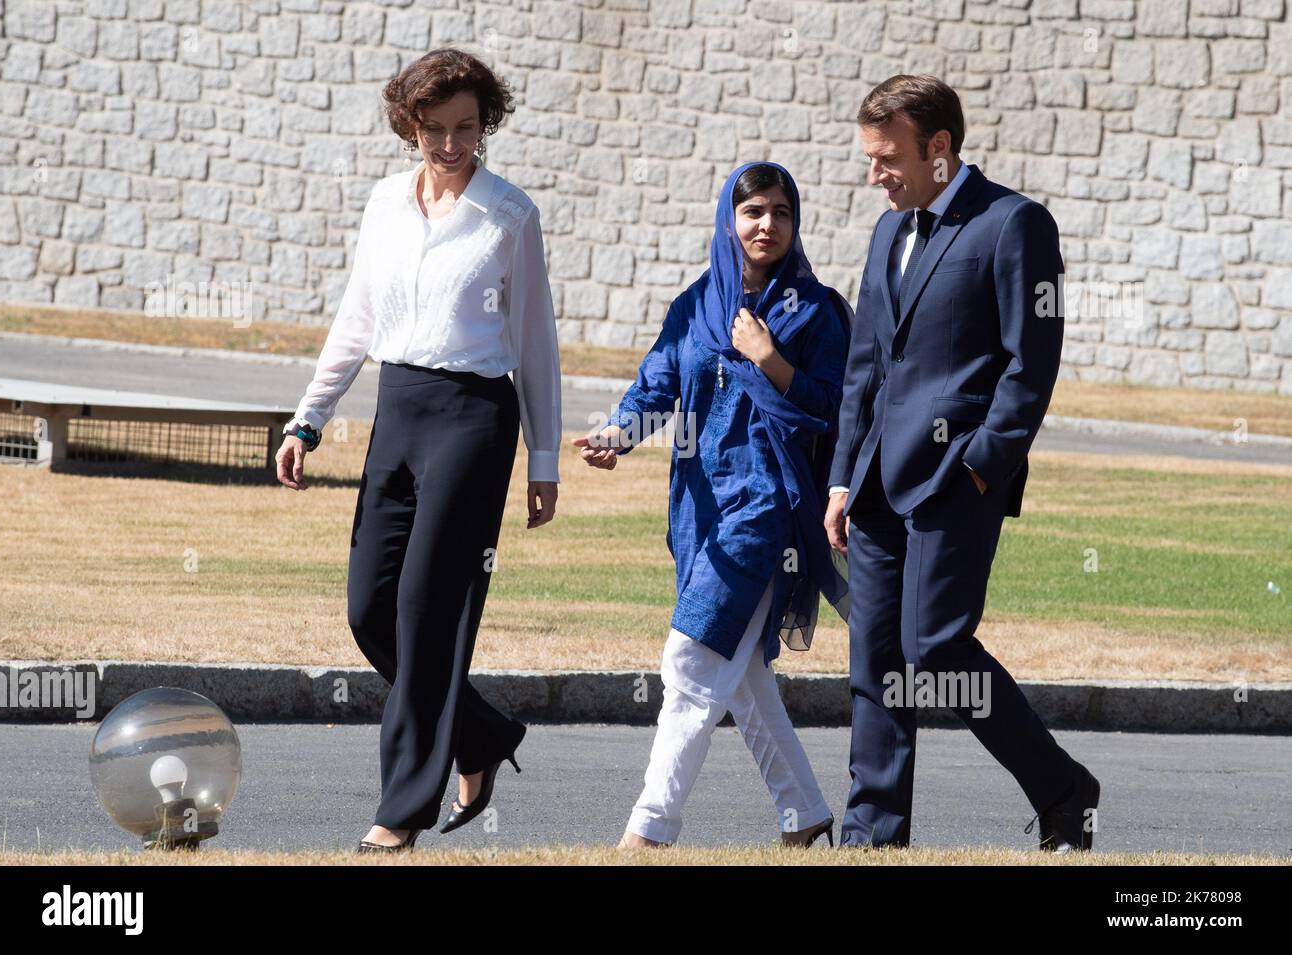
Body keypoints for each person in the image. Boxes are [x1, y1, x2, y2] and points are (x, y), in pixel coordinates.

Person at [274, 49, 561, 852]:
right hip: (398, 408)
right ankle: (481, 734)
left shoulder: (511, 215)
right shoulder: (383, 204)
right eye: (433, 128)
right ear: (409, 124)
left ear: (486, 123)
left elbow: (536, 345)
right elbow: (357, 319)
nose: (450, 143)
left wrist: (544, 462)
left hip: (474, 417)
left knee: (428, 610)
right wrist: (308, 419)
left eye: (466, 127)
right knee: (371, 608)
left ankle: (400, 810)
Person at [825, 74, 1100, 851]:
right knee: (875, 659)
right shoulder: (889, 232)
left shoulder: (1015, 225)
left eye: (888, 159)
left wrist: (983, 465)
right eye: (870, 158)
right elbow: (864, 369)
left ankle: (1062, 787)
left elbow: (1031, 364)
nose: (874, 174)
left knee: (935, 646)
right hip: (878, 484)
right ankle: (872, 833)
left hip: (957, 481)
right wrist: (843, 476)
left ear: (939, 148)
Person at [575, 161, 850, 848]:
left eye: (781, 212)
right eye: (753, 210)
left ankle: (649, 829)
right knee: (742, 669)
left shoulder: (817, 311)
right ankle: (805, 813)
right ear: (731, 219)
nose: (767, 224)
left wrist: (768, 359)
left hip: (771, 507)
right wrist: (617, 435)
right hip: (703, 506)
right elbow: (657, 388)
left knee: (692, 656)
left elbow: (836, 406)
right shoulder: (698, 303)